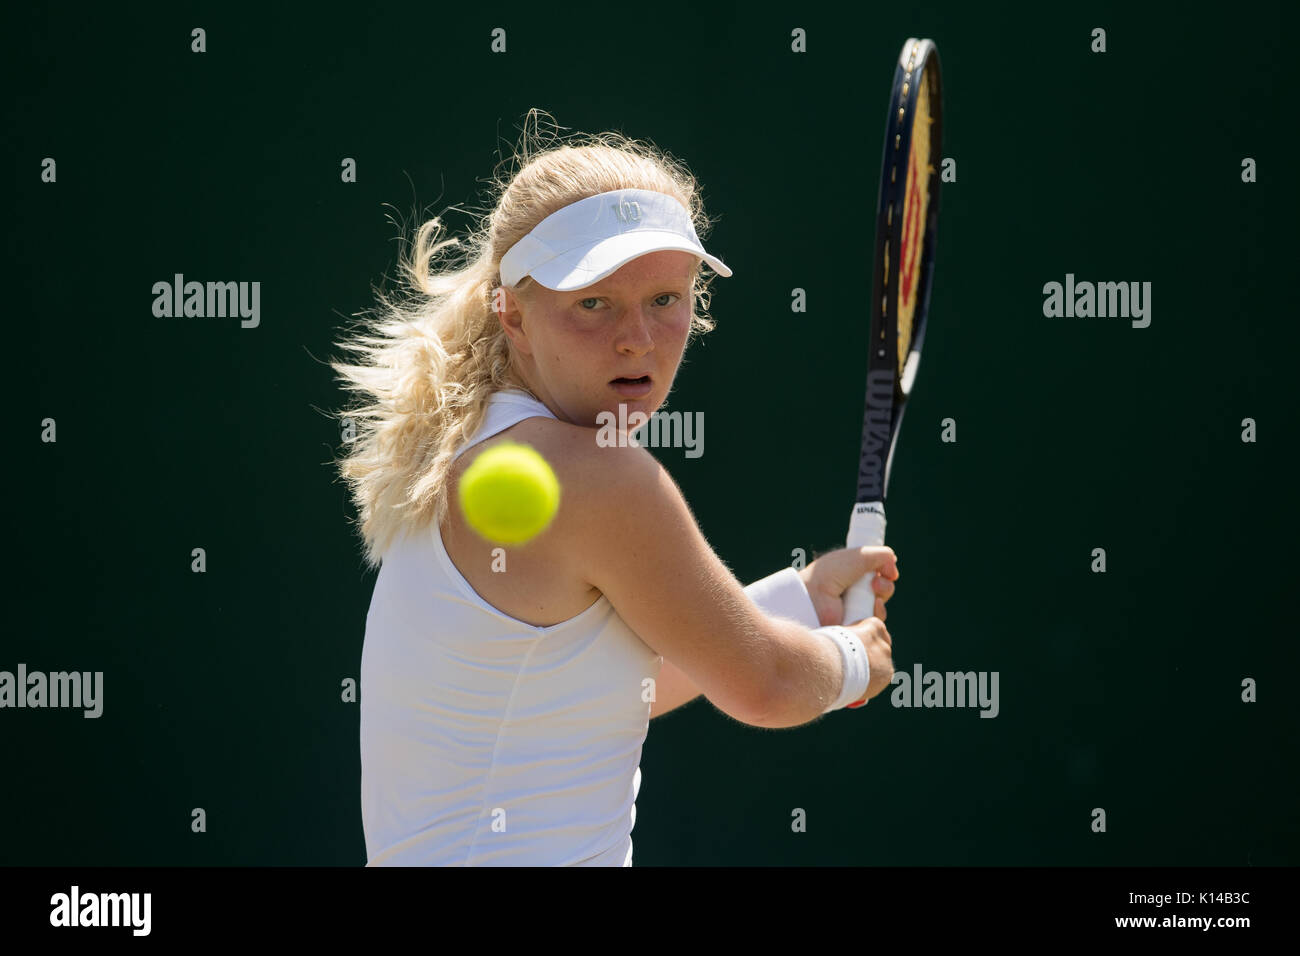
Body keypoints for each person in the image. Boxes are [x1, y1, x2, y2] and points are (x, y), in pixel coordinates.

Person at [331, 111, 900, 867]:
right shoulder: (596, 475)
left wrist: (798, 600)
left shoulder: (459, 450)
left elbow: (596, 694)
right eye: (593, 303)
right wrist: (854, 660)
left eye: (665, 300)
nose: (636, 337)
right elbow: (766, 684)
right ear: (515, 315)